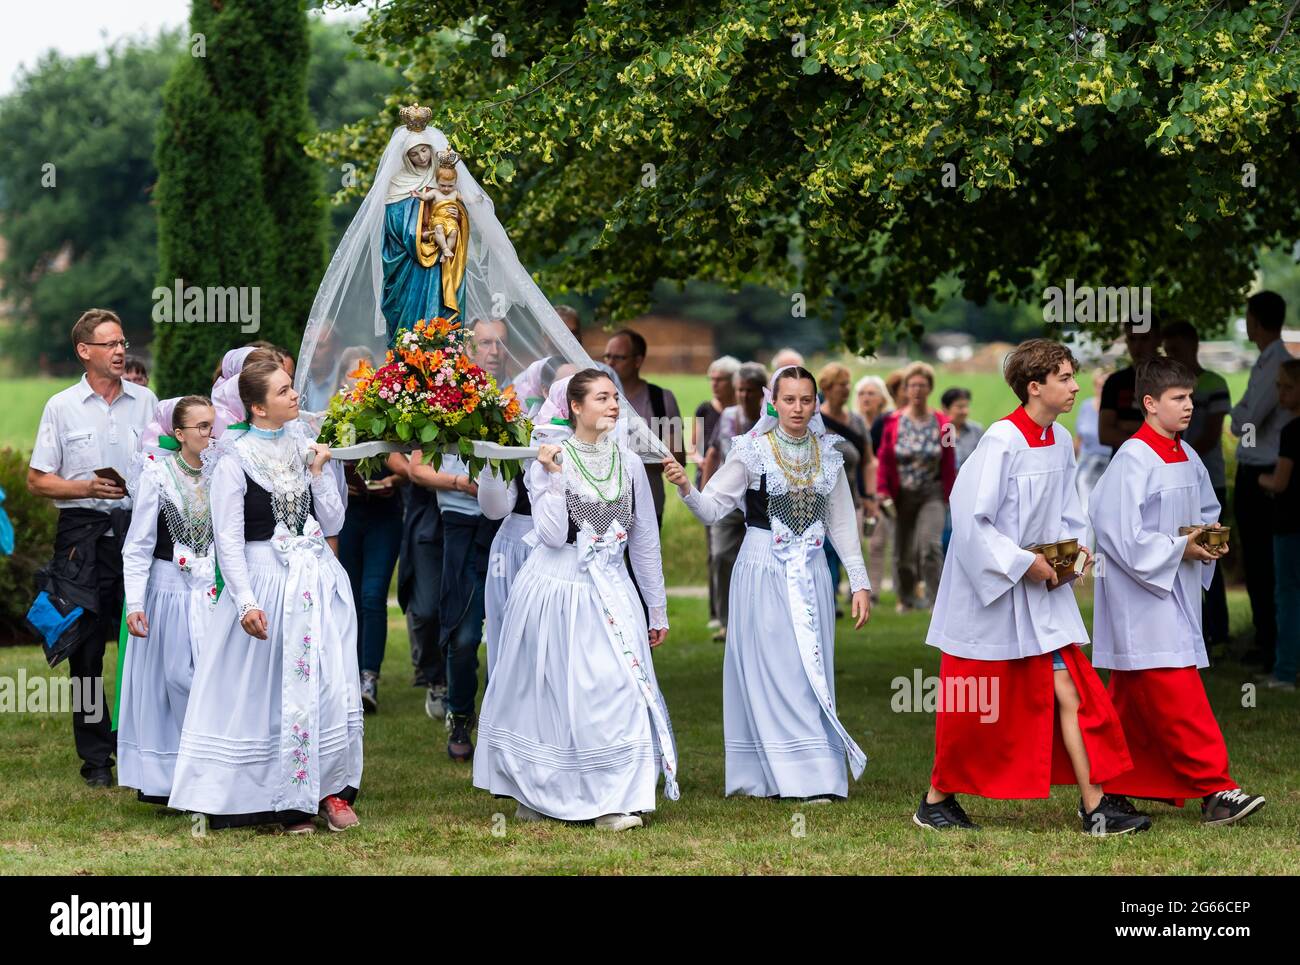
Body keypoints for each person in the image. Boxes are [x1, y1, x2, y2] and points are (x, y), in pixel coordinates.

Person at [915, 339, 1145, 835]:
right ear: (1034, 387)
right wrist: (1024, 564)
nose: (1076, 386)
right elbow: (970, 518)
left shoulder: (1060, 440)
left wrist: (1073, 553)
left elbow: (1068, 508)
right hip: (990, 596)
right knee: (974, 703)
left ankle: (1095, 803)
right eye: (1065, 377)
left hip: (1042, 592)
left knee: (1070, 689)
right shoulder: (1001, 440)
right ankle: (935, 801)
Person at [473, 369, 678, 830]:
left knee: (619, 686)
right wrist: (553, 477)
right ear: (576, 408)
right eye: (602, 398)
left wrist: (657, 606)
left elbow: (644, 539)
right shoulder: (548, 459)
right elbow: (547, 534)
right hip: (557, 586)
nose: (613, 405)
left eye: (615, 398)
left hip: (613, 588)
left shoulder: (628, 462)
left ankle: (615, 794)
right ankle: (542, 792)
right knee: (555, 694)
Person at [169, 360, 363, 834]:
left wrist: (320, 471)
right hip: (266, 580)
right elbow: (229, 540)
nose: (295, 396)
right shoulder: (233, 459)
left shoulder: (304, 445)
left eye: (292, 387)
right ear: (257, 406)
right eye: (283, 391)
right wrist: (246, 601)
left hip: (313, 578)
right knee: (263, 689)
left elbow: (334, 522)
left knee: (326, 683)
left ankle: (326, 789)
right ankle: (263, 796)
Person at [665, 365, 872, 801]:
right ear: (772, 402)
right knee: (771, 668)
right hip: (762, 567)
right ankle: (783, 775)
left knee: (804, 666)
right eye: (789, 399)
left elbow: (841, 521)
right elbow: (711, 510)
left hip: (811, 570)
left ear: (815, 403)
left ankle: (812, 770)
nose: (797, 408)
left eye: (806, 399)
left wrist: (859, 582)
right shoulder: (752, 451)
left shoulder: (829, 452)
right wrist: (686, 486)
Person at [1089, 357, 1266, 825]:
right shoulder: (1133, 457)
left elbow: (1207, 507)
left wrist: (1208, 538)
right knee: (1177, 690)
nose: (1190, 407)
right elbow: (1117, 534)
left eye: (1190, 397)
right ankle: (1216, 788)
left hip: (1175, 589)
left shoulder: (1185, 454)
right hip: (1141, 597)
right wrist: (1177, 549)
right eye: (1179, 399)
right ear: (1150, 404)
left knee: (1131, 699)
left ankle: (1115, 786)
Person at [27, 308, 159, 787]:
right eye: (110, 344)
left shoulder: (147, 402)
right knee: (85, 657)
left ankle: (146, 751)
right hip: (81, 541)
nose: (122, 350)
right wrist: (84, 488)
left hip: (139, 537)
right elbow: (38, 481)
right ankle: (97, 761)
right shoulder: (61, 407)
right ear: (85, 352)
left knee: (147, 646)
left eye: (123, 342)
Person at [119, 396, 217, 803]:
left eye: (213, 425)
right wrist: (136, 602)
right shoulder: (157, 474)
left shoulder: (222, 472)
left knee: (212, 678)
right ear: (179, 434)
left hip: (211, 589)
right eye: (201, 427)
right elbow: (138, 545)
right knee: (177, 677)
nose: (210, 434)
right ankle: (171, 773)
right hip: (169, 588)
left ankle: (211, 772)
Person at [1162, 321, 1232, 652]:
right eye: (1168, 351)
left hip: (1208, 479)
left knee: (1209, 552)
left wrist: (1184, 463)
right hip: (1177, 480)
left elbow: (1210, 433)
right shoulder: (1168, 388)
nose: (1172, 356)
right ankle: (1193, 626)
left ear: (1193, 345)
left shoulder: (1214, 384)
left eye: (1176, 349)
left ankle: (1217, 628)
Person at [1230, 291, 1290, 669]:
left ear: (1255, 319)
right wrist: (1243, 417)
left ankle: (1271, 641)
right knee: (1256, 560)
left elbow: (1249, 418)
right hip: (1254, 465)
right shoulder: (1267, 361)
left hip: (1263, 468)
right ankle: (1265, 636)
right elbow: (1245, 411)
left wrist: (1240, 421)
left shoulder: (1278, 364)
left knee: (1264, 560)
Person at [875, 362, 955, 612]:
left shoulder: (945, 423)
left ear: (929, 388)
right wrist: (882, 490)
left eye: (922, 385)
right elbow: (884, 459)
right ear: (905, 389)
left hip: (932, 493)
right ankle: (907, 598)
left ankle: (936, 601)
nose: (917, 390)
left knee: (930, 545)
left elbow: (950, 461)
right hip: (901, 494)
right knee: (903, 552)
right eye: (912, 386)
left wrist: (951, 495)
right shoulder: (892, 422)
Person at [701, 362, 767, 642]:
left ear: (762, 393)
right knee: (721, 555)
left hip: (760, 502)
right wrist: (704, 494)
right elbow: (713, 453)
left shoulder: (771, 419)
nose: (743, 395)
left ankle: (759, 620)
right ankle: (727, 621)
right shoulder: (728, 416)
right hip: (729, 500)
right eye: (740, 389)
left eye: (749, 390)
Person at [338, 454, 406, 714]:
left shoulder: (388, 417)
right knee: (350, 598)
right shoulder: (338, 423)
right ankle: (350, 678)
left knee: (373, 596)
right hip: (348, 515)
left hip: (384, 516)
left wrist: (394, 479)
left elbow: (409, 469)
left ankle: (369, 679)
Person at [603, 328, 686, 527]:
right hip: (602, 505)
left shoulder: (661, 399)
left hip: (648, 504)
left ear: (638, 361)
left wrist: (628, 459)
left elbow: (678, 458)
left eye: (618, 357)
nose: (610, 363)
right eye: (607, 356)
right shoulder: (595, 399)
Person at [1258, 358, 1300, 689]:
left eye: (1287, 387)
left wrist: (1261, 479)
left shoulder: (1292, 432)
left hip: (1290, 525)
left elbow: (1281, 483)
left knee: (1287, 596)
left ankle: (1286, 670)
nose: (1281, 393)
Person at [694, 356, 741, 631]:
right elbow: (696, 447)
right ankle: (717, 611)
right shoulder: (704, 410)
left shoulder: (742, 413)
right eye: (711, 379)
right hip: (709, 484)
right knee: (716, 552)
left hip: (736, 490)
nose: (714, 384)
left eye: (720, 379)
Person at [818, 363, 870, 608]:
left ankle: (854, 593)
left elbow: (869, 461)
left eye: (848, 384)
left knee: (850, 546)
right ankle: (830, 597)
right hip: (821, 498)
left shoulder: (857, 422)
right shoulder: (816, 421)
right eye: (841, 385)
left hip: (853, 496)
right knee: (827, 548)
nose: (846, 389)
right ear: (827, 388)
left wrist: (870, 496)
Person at [1098, 317, 1162, 449]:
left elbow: (1176, 429)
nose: (1138, 346)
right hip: (1124, 465)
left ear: (1157, 340)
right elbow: (1105, 434)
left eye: (1144, 339)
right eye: (1132, 339)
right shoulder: (1115, 381)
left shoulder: (1171, 379)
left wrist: (1125, 425)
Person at [856, 375, 893, 603]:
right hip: (856, 491)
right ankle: (859, 589)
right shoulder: (852, 423)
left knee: (878, 543)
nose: (866, 398)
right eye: (861, 393)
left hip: (881, 492)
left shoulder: (889, 423)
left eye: (871, 393)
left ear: (881, 398)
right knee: (857, 542)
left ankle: (876, 591)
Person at [1073, 368, 1113, 552]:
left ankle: (1106, 554)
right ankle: (1085, 555)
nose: (1102, 389)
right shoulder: (1086, 406)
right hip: (1087, 466)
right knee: (1085, 510)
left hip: (1109, 467)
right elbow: (1079, 439)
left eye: (1106, 386)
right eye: (1099, 385)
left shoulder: (1115, 411)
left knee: (1108, 514)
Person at [939, 387, 983, 552]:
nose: (964, 411)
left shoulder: (976, 430)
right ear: (946, 408)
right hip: (949, 490)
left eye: (966, 406)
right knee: (948, 533)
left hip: (972, 491)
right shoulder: (946, 430)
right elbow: (947, 461)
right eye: (959, 406)